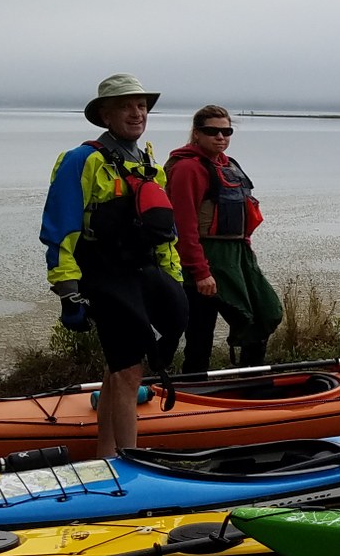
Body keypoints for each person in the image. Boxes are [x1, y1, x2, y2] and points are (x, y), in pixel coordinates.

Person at [39, 74, 188, 456]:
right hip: (102, 272)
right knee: (128, 369)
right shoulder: (80, 160)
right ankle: (129, 462)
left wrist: (172, 276)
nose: (137, 113)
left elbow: (163, 230)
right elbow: (60, 230)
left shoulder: (148, 162)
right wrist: (68, 291)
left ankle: (106, 452)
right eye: (125, 106)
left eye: (141, 106)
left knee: (123, 364)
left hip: (141, 269)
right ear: (105, 115)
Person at [166, 105, 283, 374]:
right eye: (212, 131)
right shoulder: (187, 168)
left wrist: (246, 250)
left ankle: (250, 376)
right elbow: (184, 225)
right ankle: (194, 383)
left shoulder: (229, 165)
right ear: (196, 133)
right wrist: (200, 272)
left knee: (266, 312)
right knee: (200, 329)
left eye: (226, 131)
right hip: (205, 256)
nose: (220, 137)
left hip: (237, 255)